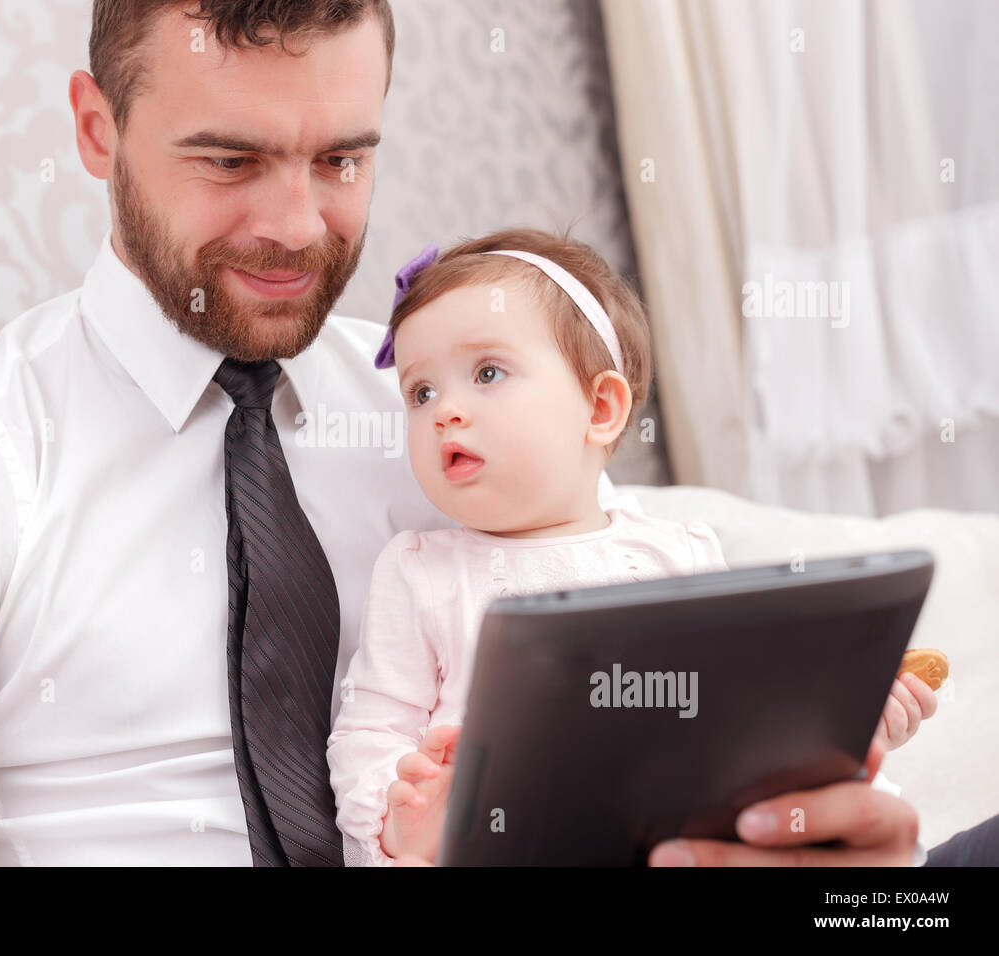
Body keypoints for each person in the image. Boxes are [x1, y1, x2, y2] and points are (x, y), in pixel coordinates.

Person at [0, 0, 923, 866]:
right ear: (97, 128)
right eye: (228, 159)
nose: (296, 226)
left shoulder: (443, 409)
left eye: (342, 157)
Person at [326, 228, 937, 865]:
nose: (445, 410)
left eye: (487, 372)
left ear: (601, 408)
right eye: (420, 392)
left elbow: (747, 717)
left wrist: (846, 720)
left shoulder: (679, 554)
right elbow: (370, 731)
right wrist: (399, 830)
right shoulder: (421, 571)